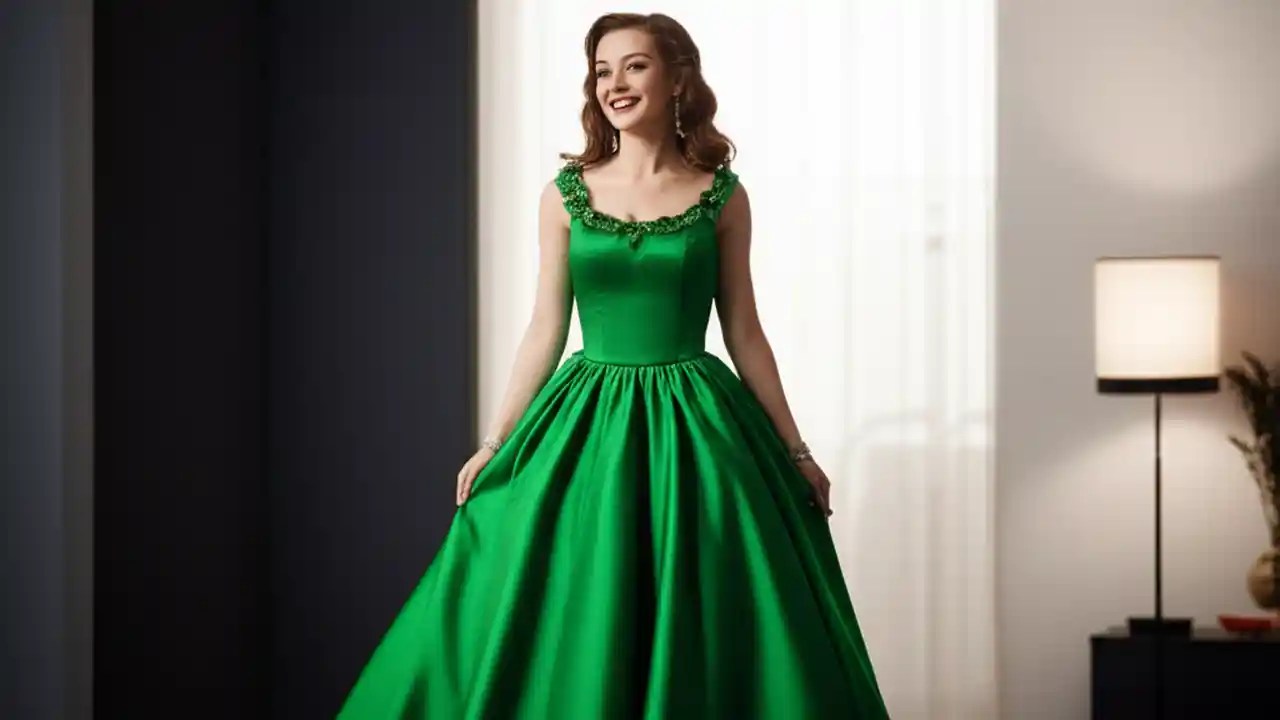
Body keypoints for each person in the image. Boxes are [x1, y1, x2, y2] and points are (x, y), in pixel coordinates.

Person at [337, 12, 888, 719]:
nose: (614, 84)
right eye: (602, 70)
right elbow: (545, 327)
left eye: (634, 65)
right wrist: (495, 440)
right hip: (588, 419)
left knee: (710, 609)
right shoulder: (565, 195)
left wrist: (795, 449)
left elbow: (745, 330)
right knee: (574, 594)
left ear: (677, 76)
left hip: (697, 428)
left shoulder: (722, 195)